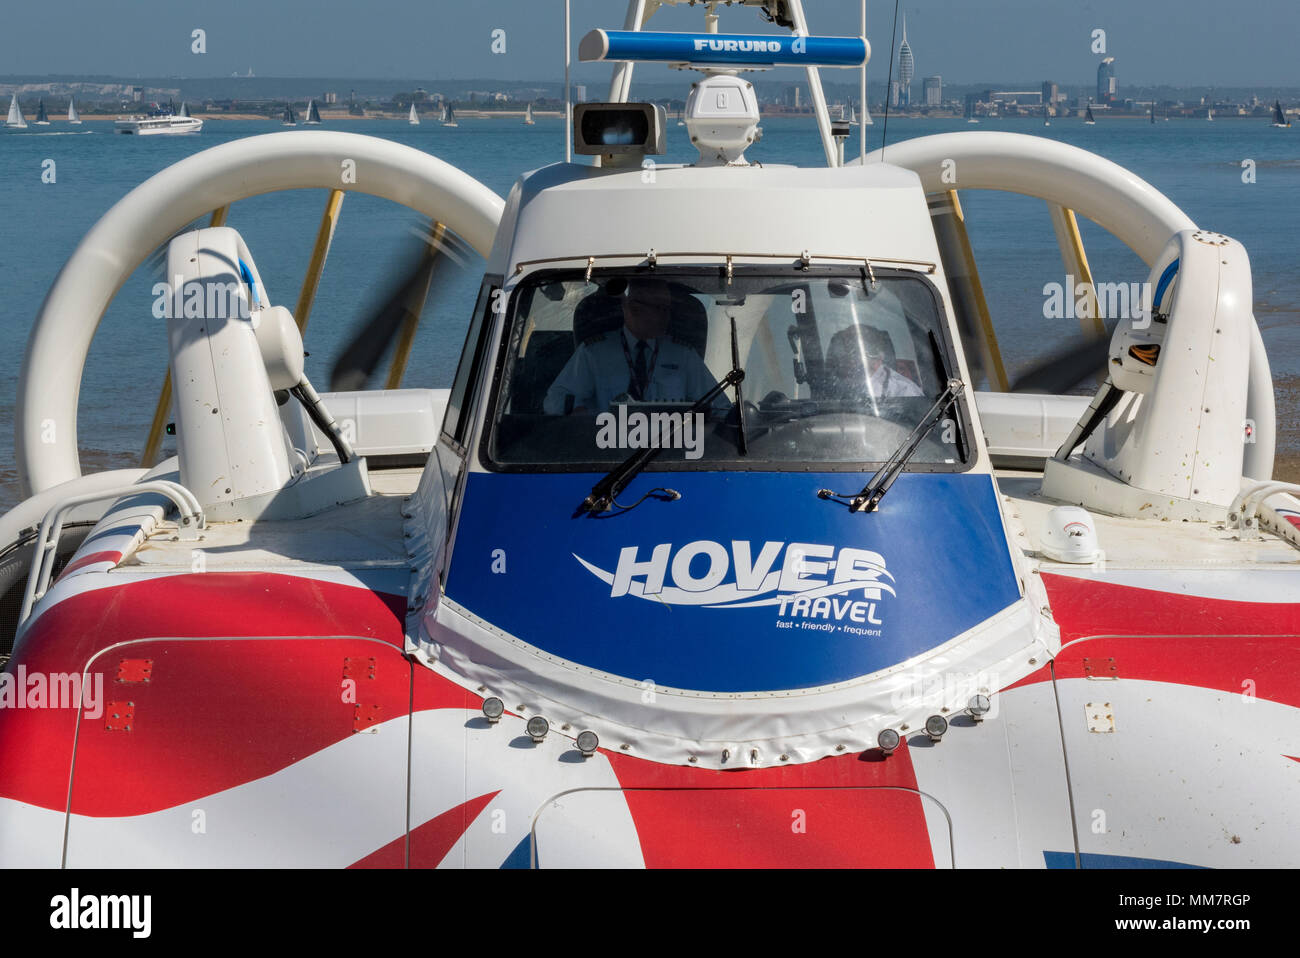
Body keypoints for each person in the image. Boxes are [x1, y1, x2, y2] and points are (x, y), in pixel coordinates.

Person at [543, 277, 717, 414]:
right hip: (605, 451)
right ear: (634, 308)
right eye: (660, 309)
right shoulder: (594, 353)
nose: (667, 317)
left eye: (668, 309)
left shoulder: (683, 355)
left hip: (668, 451)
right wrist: (581, 417)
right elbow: (555, 400)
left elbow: (719, 407)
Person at [824, 323, 923, 400]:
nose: (840, 362)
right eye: (837, 355)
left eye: (848, 353)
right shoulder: (832, 386)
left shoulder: (904, 391)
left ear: (877, 359)